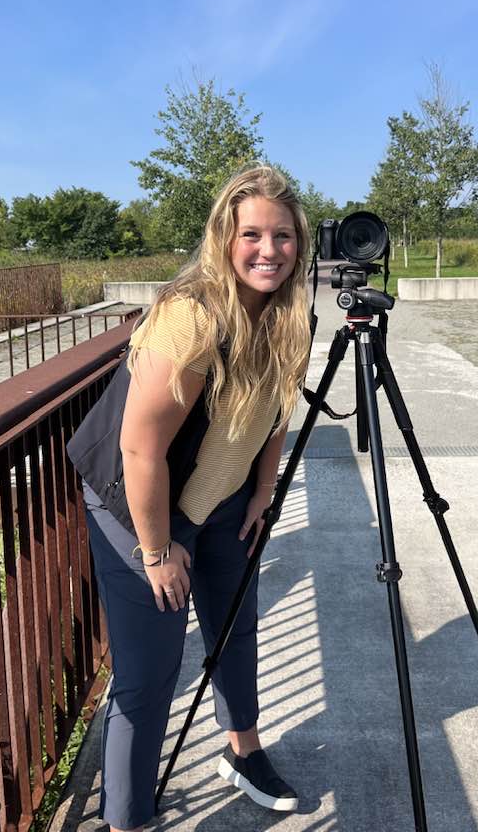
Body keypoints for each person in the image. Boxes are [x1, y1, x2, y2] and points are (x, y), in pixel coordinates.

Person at [80, 164, 312, 832]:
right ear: (224, 237)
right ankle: (129, 820)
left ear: (300, 244)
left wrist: (264, 489)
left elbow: (276, 409)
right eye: (252, 234)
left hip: (222, 501)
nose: (268, 250)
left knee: (235, 630)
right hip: (137, 507)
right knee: (149, 675)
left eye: (283, 237)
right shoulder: (191, 316)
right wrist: (157, 552)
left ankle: (242, 753)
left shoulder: (290, 314)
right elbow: (139, 451)